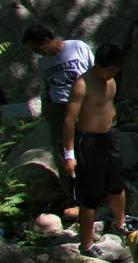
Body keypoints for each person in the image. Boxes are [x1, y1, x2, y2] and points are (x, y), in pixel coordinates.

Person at [63, 43, 127, 256]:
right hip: (87, 142)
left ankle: (121, 224)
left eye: (115, 70)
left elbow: (109, 105)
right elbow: (69, 119)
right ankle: (87, 245)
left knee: (117, 185)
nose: (112, 74)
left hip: (108, 137)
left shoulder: (111, 80)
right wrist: (69, 154)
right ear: (98, 65)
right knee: (90, 196)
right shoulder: (83, 84)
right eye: (109, 70)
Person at [22, 26, 94, 203]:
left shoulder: (77, 47)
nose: (37, 53)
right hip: (59, 108)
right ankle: (73, 195)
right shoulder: (43, 62)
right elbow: (47, 87)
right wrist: (47, 110)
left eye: (37, 48)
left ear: (47, 40)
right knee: (62, 151)